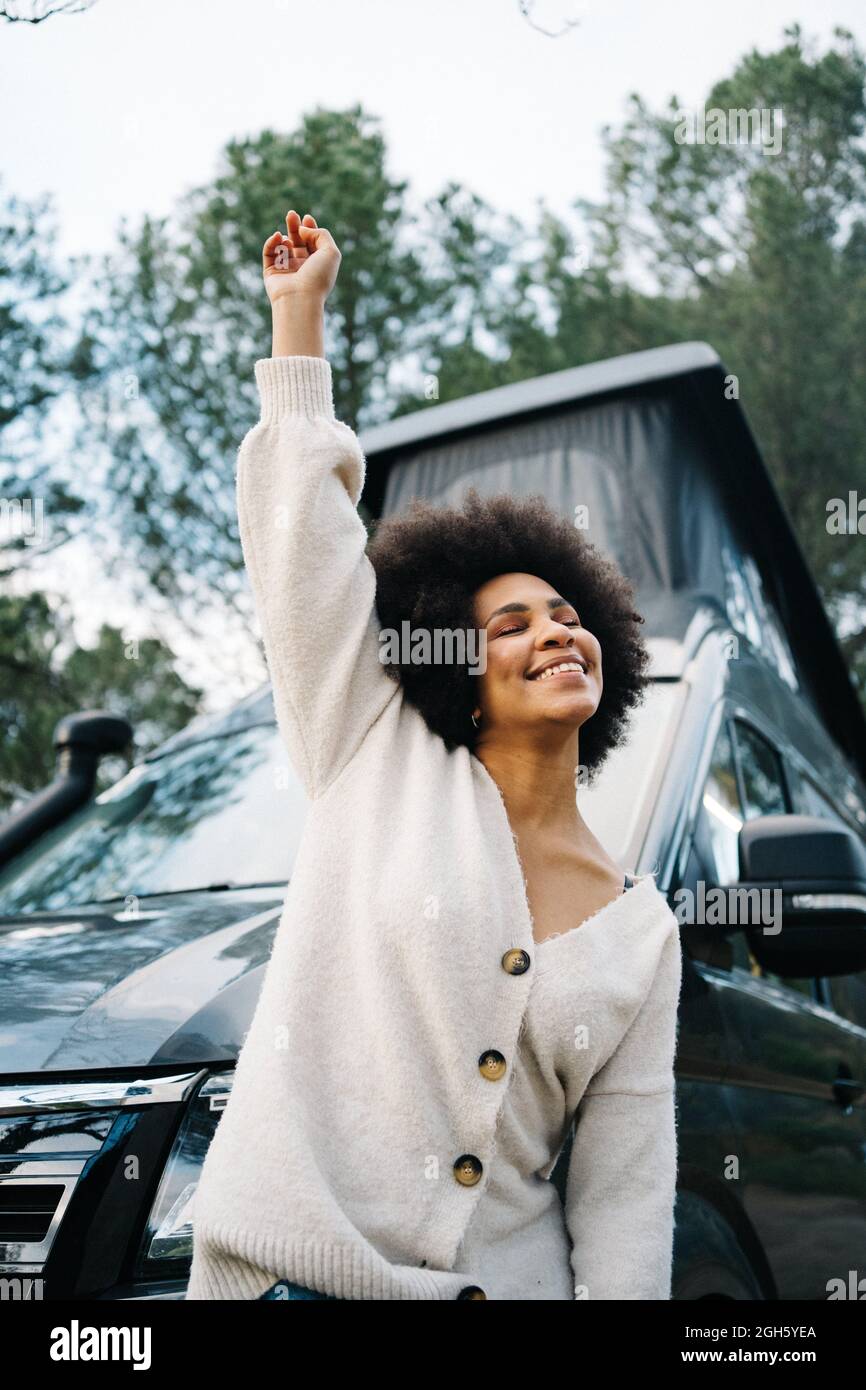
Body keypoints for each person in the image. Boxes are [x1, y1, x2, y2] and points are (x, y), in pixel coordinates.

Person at [186, 210, 683, 1302]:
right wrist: (297, 320)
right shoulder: (373, 746)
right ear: (455, 663)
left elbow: (622, 1200)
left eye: (563, 613)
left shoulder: (642, 932)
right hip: (290, 1288)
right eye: (509, 624)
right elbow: (300, 549)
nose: (552, 631)